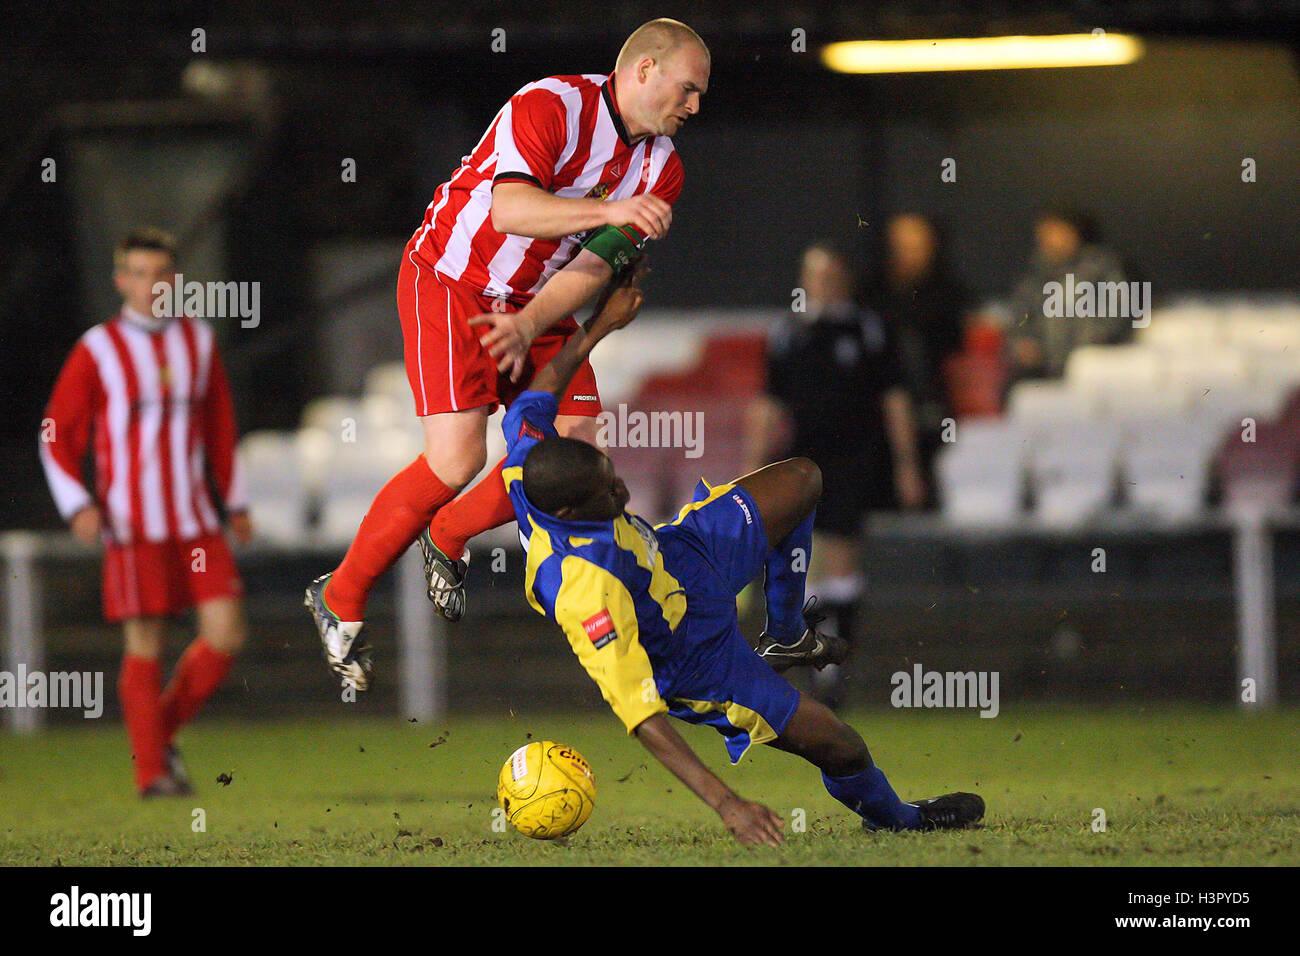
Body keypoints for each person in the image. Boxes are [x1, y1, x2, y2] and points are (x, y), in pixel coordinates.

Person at [497, 263, 983, 844]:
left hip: (682, 556)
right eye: (609, 494)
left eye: (614, 477)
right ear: (573, 516)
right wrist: (727, 802)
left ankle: (785, 631)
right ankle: (902, 819)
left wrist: (599, 324)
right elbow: (641, 714)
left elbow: (534, 395)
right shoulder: (583, 587)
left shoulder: (529, 461)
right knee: (839, 743)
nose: (623, 492)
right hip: (689, 657)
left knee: (802, 480)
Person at [305, 19, 711, 689]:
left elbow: (587, 270)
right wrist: (610, 213)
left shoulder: (662, 169)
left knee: (582, 450)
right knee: (457, 457)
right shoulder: (550, 104)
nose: (695, 107)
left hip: (532, 304)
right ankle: (341, 596)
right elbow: (509, 209)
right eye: (689, 89)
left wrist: (526, 325)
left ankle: (449, 534)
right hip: (449, 281)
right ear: (644, 71)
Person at [39, 227, 250, 797]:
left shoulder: (199, 342)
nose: (149, 285)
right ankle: (151, 772)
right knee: (145, 643)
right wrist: (78, 504)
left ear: (176, 281)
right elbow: (54, 434)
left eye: (160, 274)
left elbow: (221, 431)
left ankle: (158, 736)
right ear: (119, 280)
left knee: (226, 634)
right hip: (133, 524)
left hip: (196, 522)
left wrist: (236, 502)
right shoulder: (98, 348)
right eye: (137, 273)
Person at [746, 243, 925, 709]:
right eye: (811, 274)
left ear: (843, 278)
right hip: (800, 461)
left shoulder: (867, 329)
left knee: (841, 554)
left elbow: (894, 398)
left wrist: (907, 464)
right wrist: (752, 467)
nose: (817, 283)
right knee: (805, 559)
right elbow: (769, 402)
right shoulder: (788, 333)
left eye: (826, 273)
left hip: (855, 460)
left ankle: (835, 667)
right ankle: (813, 656)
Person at [863, 212, 967, 502]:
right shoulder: (870, 293)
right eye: (902, 247)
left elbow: (951, 348)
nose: (909, 255)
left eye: (916, 246)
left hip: (929, 400)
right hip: (875, 403)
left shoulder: (947, 295)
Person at [1006, 208, 1132, 383]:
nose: (1051, 239)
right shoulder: (1034, 276)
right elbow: (1021, 316)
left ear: (1074, 233)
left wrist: (1084, 345)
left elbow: (1118, 312)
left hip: (1092, 365)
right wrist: (1023, 341)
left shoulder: (1100, 268)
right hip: (1045, 370)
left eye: (1057, 232)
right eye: (1045, 234)